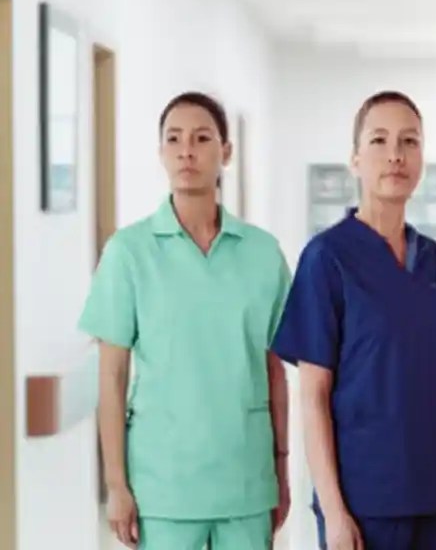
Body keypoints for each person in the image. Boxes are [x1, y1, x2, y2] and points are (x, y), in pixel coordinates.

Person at [79, 91, 291, 549]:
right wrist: (117, 485)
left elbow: (275, 368)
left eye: (201, 137)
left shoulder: (262, 253)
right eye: (173, 139)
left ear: (226, 152)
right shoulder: (129, 252)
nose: (186, 150)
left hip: (246, 482)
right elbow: (112, 376)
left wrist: (282, 467)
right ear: (161, 153)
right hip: (164, 488)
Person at [270, 91, 436, 550]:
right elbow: (314, 399)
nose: (396, 154)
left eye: (410, 141)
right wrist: (335, 511)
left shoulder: (434, 262)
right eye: (379, 140)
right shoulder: (327, 259)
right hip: (365, 507)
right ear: (356, 159)